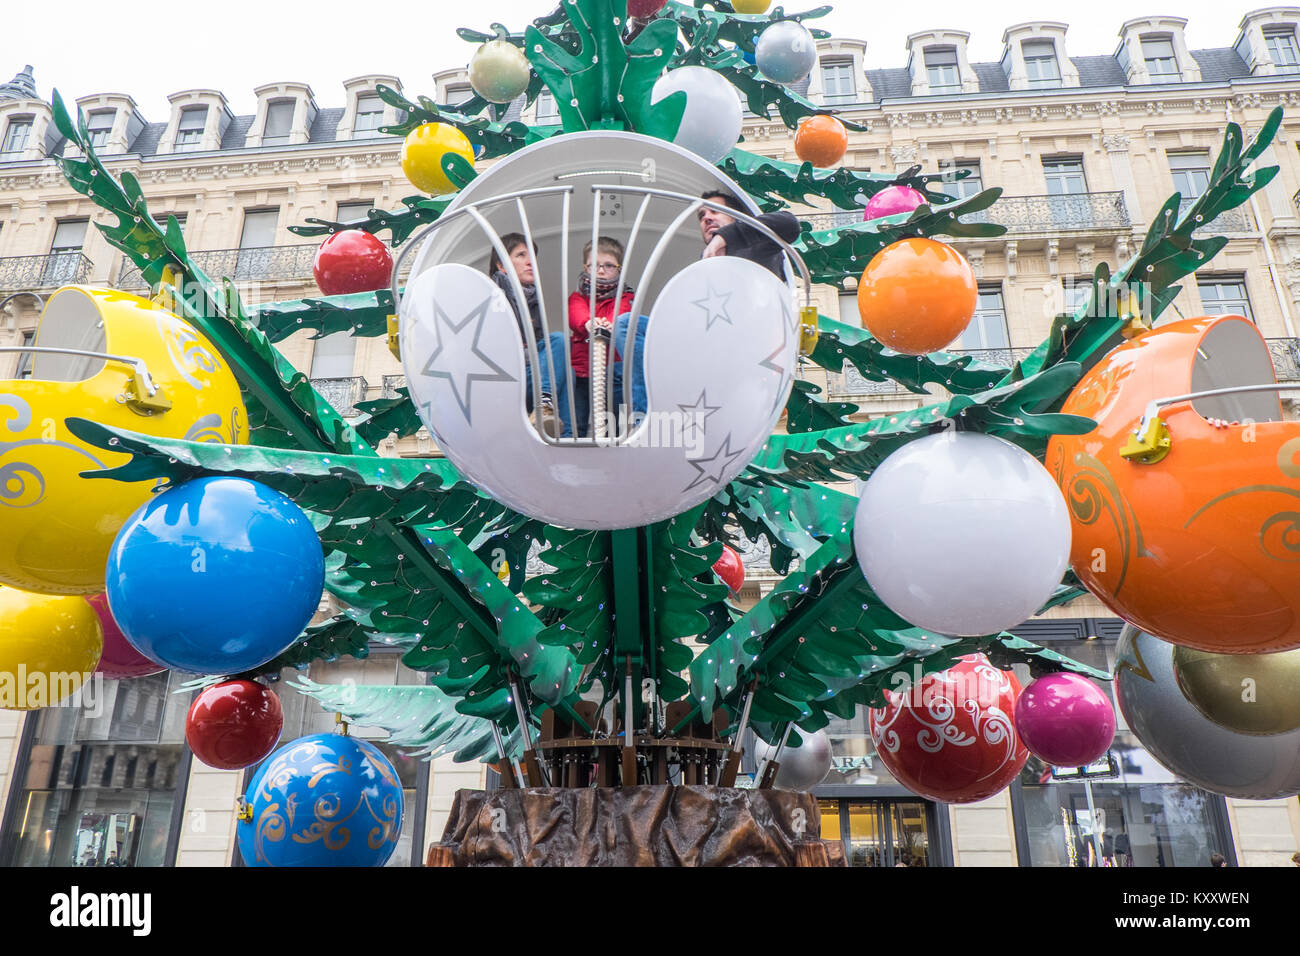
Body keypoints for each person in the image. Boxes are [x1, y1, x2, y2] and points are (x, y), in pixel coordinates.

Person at [488, 233, 573, 438]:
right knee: (558, 342)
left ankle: (566, 433)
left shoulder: (532, 300)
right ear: (502, 265)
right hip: (507, 377)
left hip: (530, 373)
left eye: (532, 256)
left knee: (566, 369)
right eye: (521, 255)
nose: (530, 262)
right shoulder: (492, 295)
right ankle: (544, 409)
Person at [568, 237, 635, 437]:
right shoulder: (577, 297)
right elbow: (576, 314)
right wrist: (589, 323)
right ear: (585, 267)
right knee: (578, 422)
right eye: (594, 265)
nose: (601, 270)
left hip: (613, 372)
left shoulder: (626, 297)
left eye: (608, 265)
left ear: (619, 269)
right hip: (581, 372)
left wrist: (603, 324)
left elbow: (620, 316)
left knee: (613, 424)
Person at [698, 188, 801, 280]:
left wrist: (723, 237)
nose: (706, 218)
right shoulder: (702, 266)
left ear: (735, 217)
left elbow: (789, 223)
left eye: (715, 211)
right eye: (701, 215)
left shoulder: (759, 245)